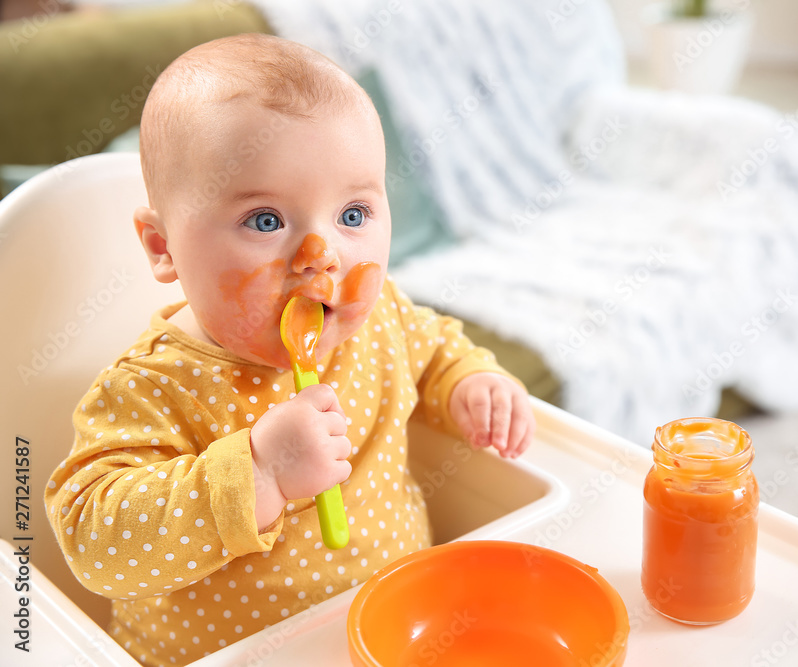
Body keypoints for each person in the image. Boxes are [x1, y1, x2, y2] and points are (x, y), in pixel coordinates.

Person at [44, 33, 535, 667]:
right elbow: (95, 542)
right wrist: (257, 473)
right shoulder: (151, 389)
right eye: (267, 221)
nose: (321, 257)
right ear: (163, 247)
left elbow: (435, 347)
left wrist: (472, 383)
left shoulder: (377, 317)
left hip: (398, 631)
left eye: (353, 215)